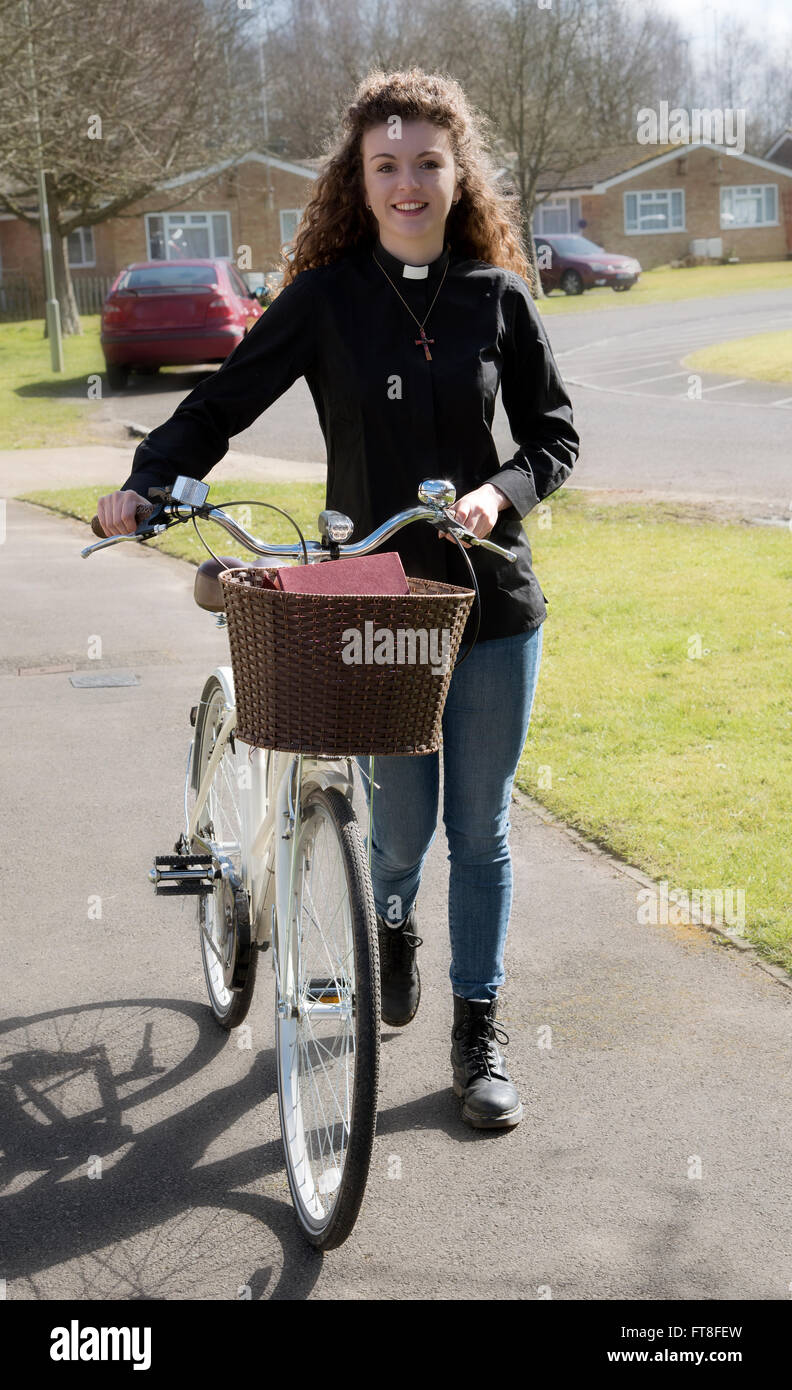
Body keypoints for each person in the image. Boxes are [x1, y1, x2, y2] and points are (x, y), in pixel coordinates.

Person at [97, 68, 579, 1131]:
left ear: (460, 177)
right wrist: (142, 483)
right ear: (358, 183)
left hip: (493, 607)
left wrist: (503, 494)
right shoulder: (323, 299)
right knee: (399, 833)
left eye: (428, 165)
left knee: (484, 832)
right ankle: (392, 925)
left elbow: (555, 437)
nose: (408, 183)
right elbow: (221, 401)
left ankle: (478, 1029)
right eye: (386, 166)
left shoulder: (498, 297)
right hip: (375, 604)